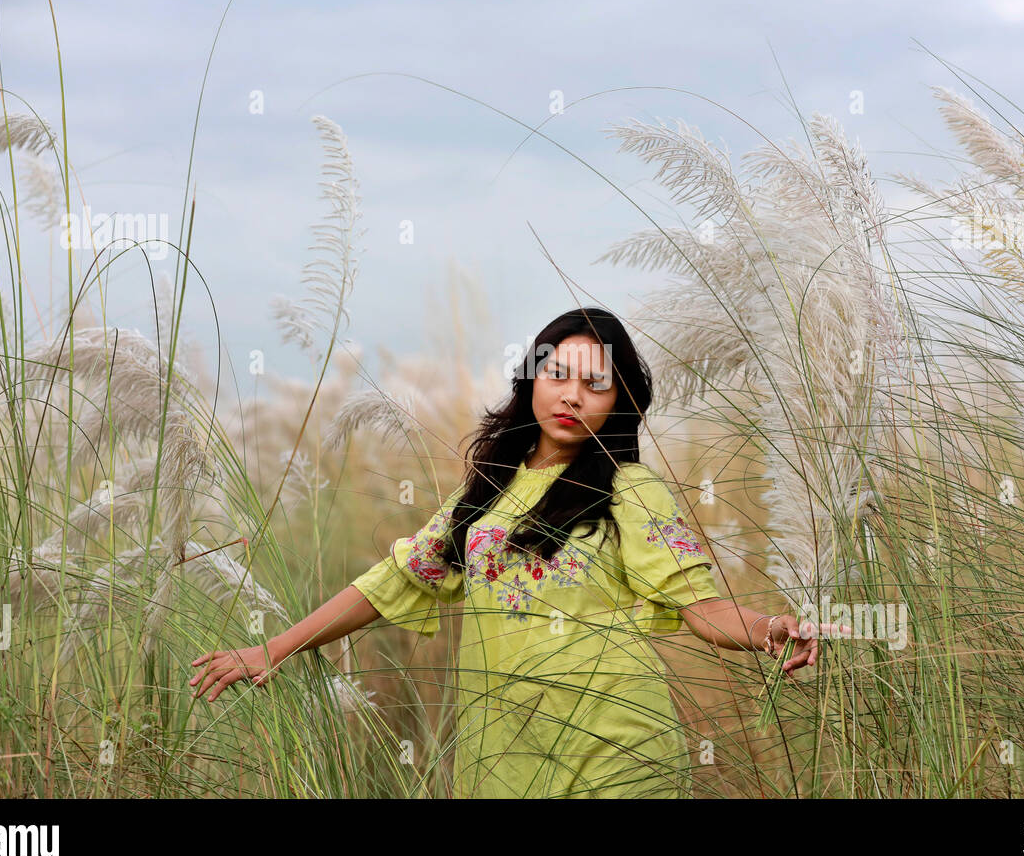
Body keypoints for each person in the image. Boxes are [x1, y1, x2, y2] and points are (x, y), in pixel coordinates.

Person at [191, 307, 832, 797]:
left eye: (595, 385)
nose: (572, 396)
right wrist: (270, 650)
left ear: (620, 402)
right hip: (503, 750)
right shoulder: (486, 497)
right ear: (532, 377)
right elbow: (391, 581)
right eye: (557, 374)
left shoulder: (629, 489)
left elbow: (699, 604)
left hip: (613, 744)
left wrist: (770, 628)